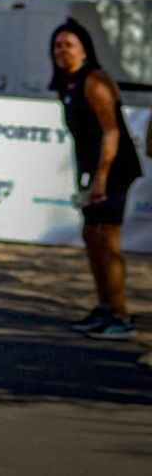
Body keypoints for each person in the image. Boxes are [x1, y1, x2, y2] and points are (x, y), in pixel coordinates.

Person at [51, 19, 142, 340]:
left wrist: (101, 178)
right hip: (93, 171)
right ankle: (105, 306)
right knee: (91, 235)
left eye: (69, 45)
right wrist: (84, 179)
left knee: (108, 239)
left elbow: (111, 132)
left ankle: (121, 316)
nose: (62, 51)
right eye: (58, 45)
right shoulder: (67, 83)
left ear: (84, 49)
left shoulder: (94, 81)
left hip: (115, 169)